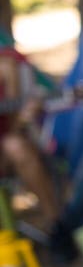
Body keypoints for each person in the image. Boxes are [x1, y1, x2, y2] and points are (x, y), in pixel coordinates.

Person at [0, 47, 61, 228]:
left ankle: (57, 225)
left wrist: (22, 118)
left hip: (6, 148)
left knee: (15, 146)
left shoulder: (6, 64)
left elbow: (14, 128)